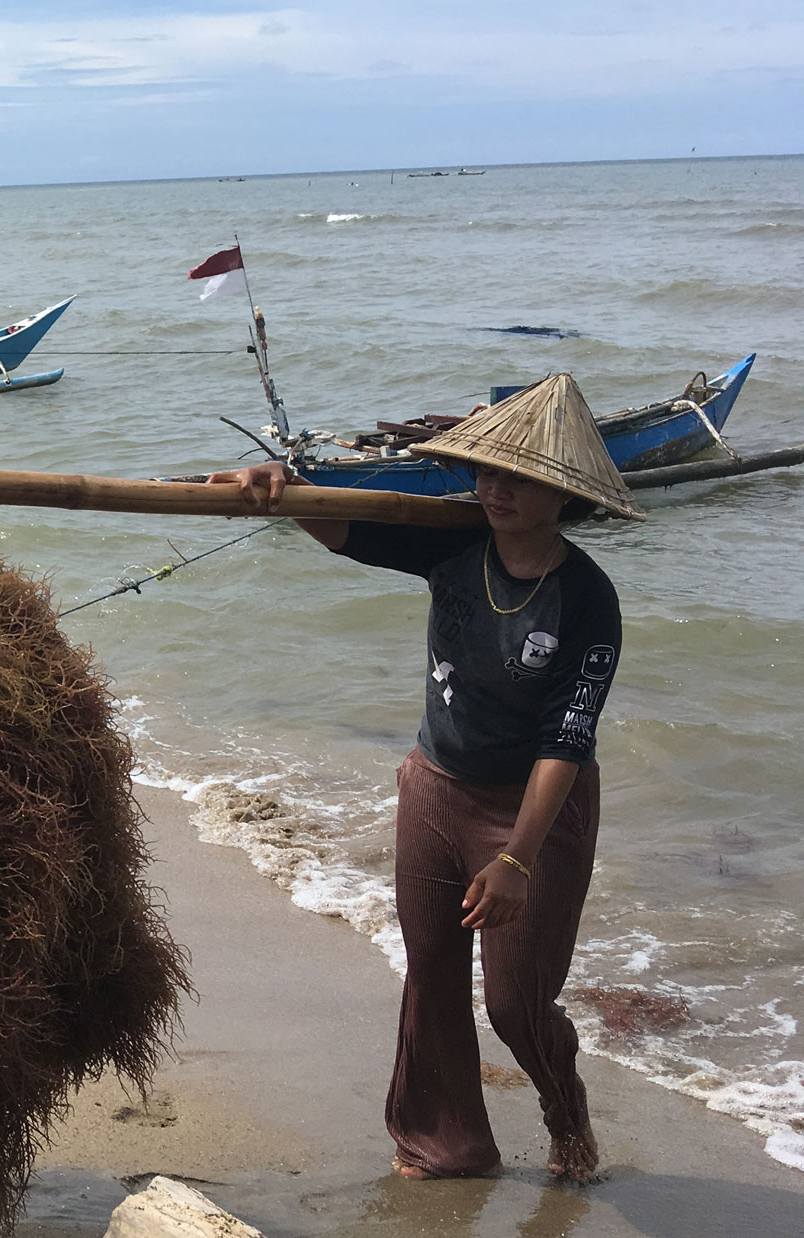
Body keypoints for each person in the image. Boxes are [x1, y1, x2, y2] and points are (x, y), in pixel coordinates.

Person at [209, 373, 636, 1184]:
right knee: (432, 970)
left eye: (520, 478)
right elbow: (350, 533)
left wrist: (516, 857)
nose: (496, 489)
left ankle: (562, 1103)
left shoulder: (587, 598)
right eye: (488, 471)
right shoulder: (453, 540)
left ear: (563, 493)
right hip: (436, 788)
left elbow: (566, 738)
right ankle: (450, 1144)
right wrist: (283, 488)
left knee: (516, 1002)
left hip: (536, 810)